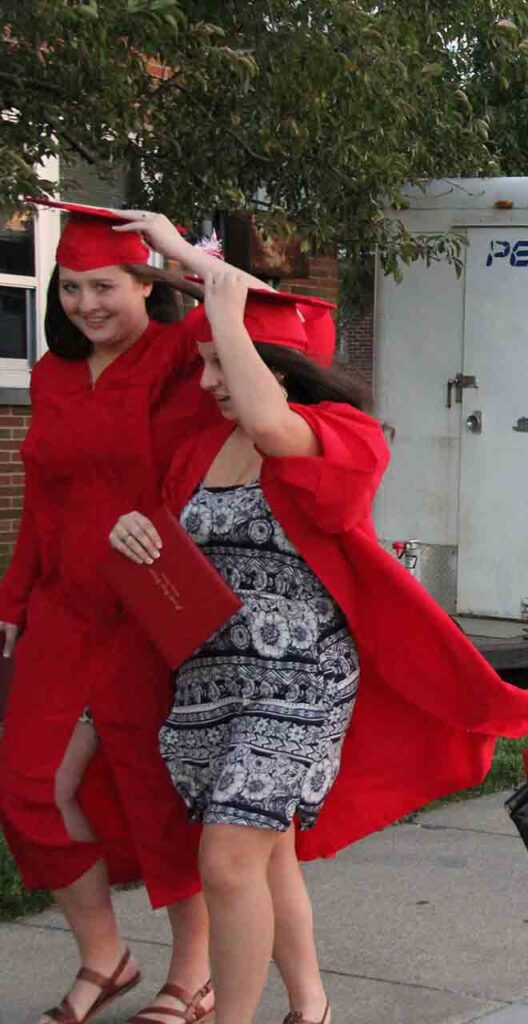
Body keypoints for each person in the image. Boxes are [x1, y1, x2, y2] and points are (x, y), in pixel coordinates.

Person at [107, 271, 528, 1024]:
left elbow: (274, 426)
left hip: (301, 682)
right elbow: (186, 557)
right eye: (206, 363)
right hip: (207, 682)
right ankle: (312, 1006)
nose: (211, 379)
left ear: (282, 369)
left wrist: (223, 303)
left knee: (226, 862)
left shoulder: (341, 438)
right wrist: (139, 538)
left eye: (224, 361)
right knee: (266, 856)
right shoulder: (198, 448)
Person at [0, 200, 245, 1024]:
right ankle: (105, 958)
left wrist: (171, 246)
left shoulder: (181, 356)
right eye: (70, 290)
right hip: (62, 613)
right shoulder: (52, 373)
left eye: (104, 286)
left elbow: (235, 297)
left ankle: (195, 975)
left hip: (151, 613)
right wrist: (12, 601)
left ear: (144, 285)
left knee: (160, 796)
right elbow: (42, 499)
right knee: (27, 787)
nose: (86, 306)